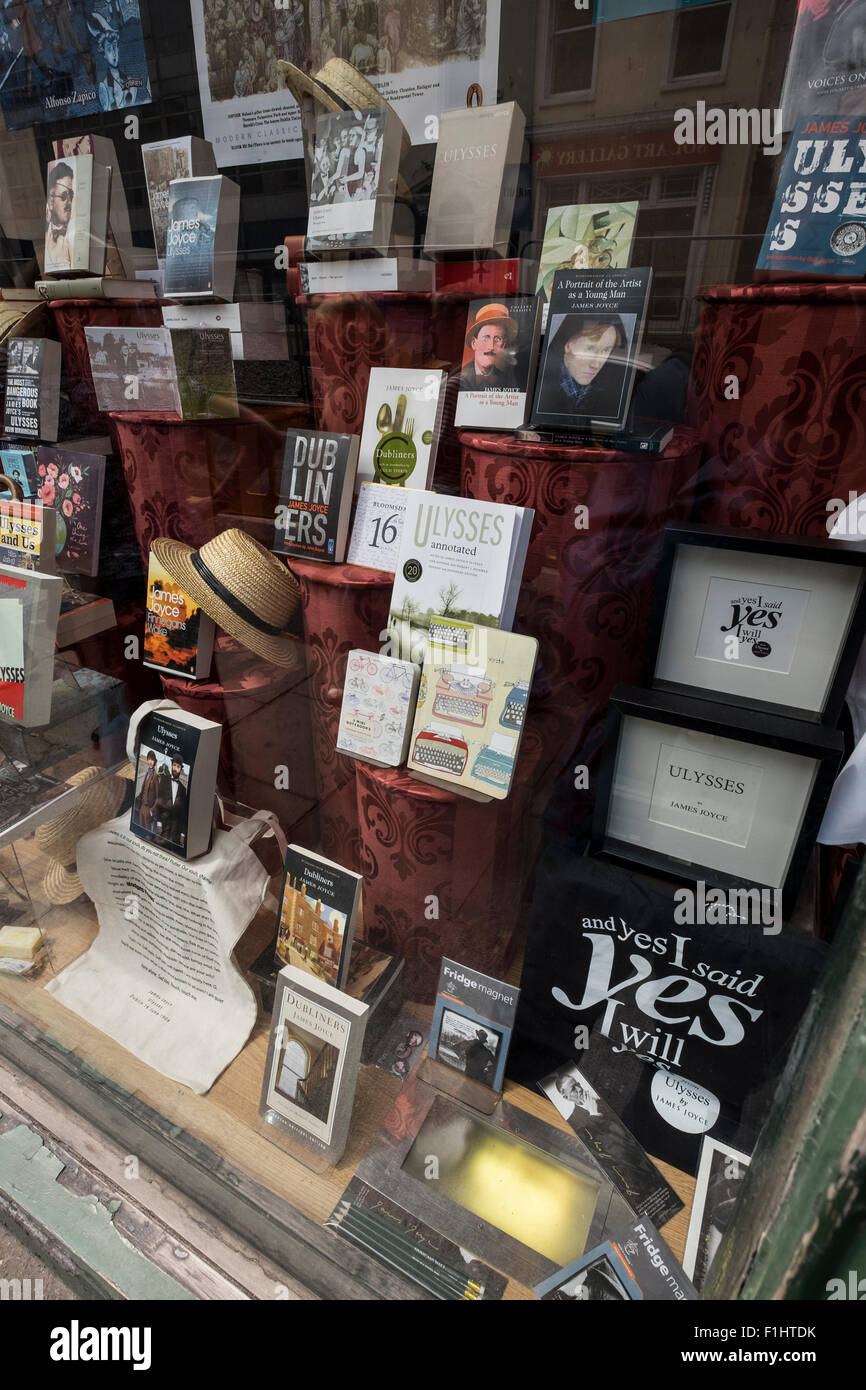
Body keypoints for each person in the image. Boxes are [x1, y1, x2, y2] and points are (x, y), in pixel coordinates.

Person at [536, 312, 630, 421]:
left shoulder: (606, 394)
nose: (596, 364)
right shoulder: (540, 385)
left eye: (605, 350)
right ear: (568, 345)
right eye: (589, 348)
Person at [460, 303, 518, 390]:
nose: (491, 347)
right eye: (486, 338)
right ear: (474, 343)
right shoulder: (460, 379)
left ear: (503, 345)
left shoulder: (508, 380)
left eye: (497, 339)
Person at [45, 161, 75, 272]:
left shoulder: (76, 239)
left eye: (70, 196)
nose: (69, 203)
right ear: (51, 201)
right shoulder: (42, 242)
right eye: (64, 196)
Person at [156, 757, 187, 846]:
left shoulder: (183, 789)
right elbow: (157, 802)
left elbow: (183, 813)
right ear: (171, 765)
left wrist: (183, 834)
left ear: (181, 769)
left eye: (178, 767)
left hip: (175, 829)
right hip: (162, 824)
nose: (175, 768)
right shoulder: (163, 779)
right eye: (174, 765)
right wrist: (159, 823)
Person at [135, 750, 159, 831]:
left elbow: (158, 797)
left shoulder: (155, 776)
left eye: (152, 760)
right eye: (149, 759)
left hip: (149, 809)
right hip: (142, 807)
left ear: (155, 761)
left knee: (147, 832)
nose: (150, 762)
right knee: (140, 828)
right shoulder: (146, 773)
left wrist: (151, 811)